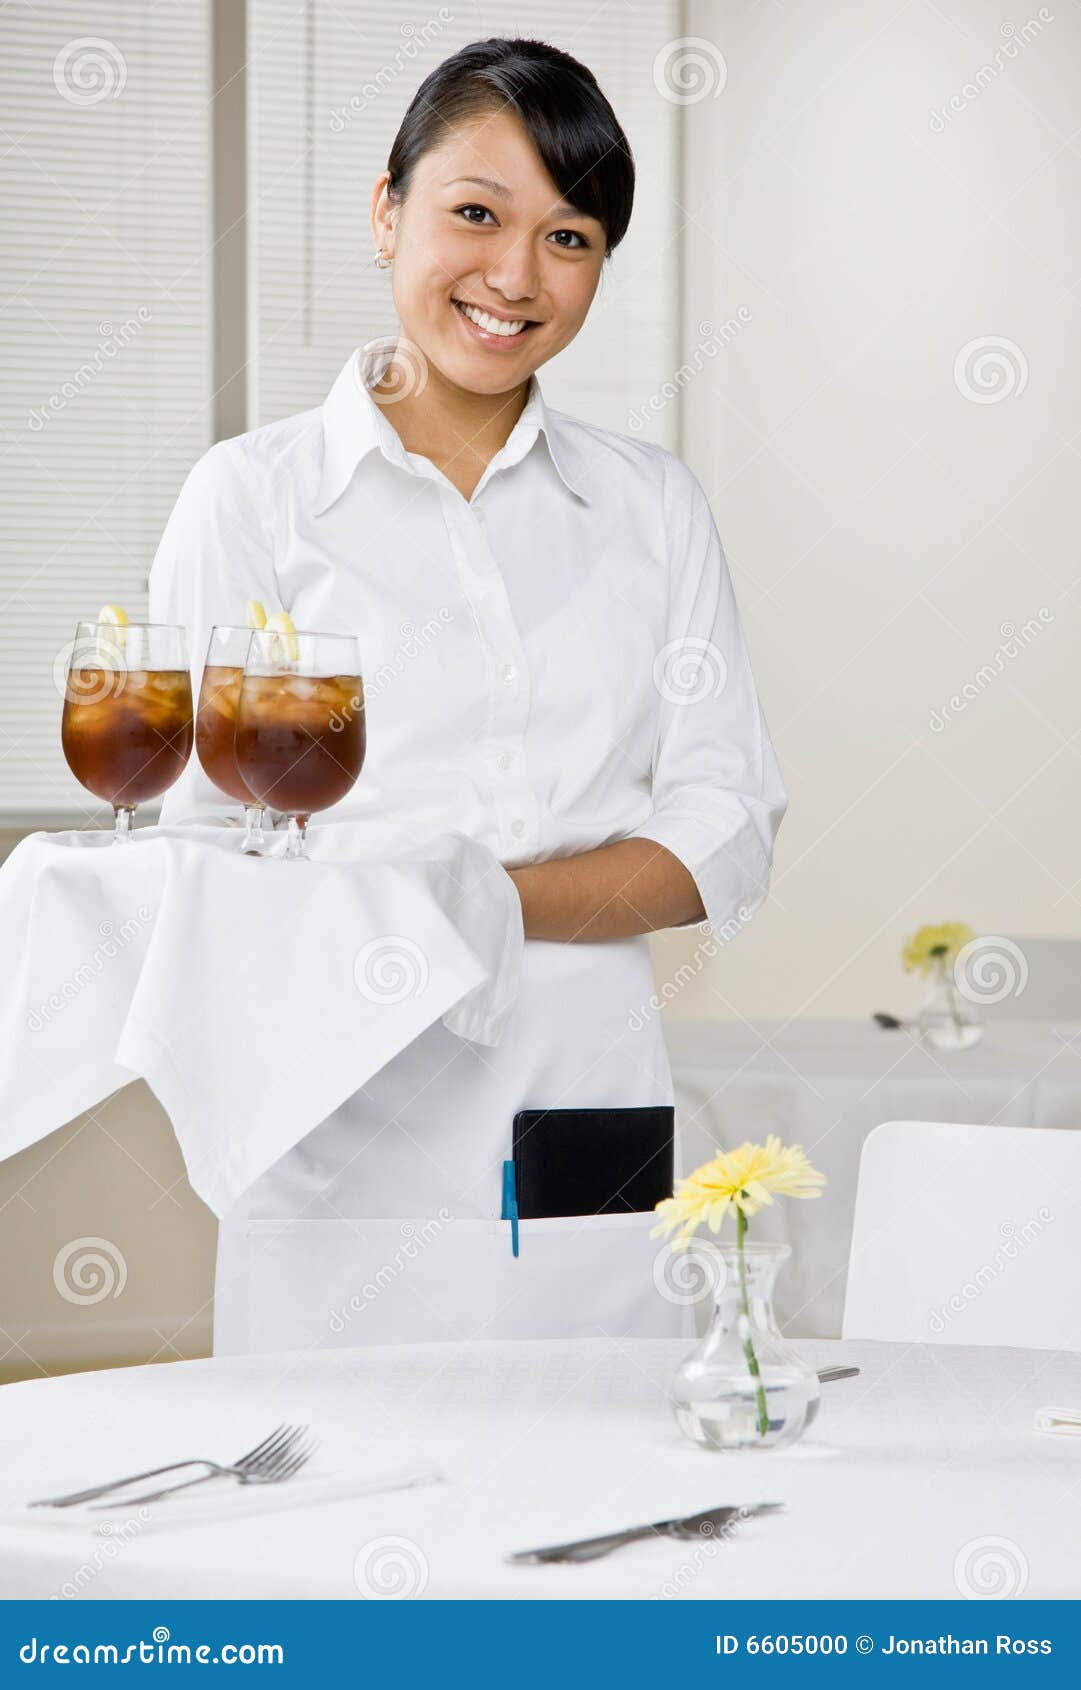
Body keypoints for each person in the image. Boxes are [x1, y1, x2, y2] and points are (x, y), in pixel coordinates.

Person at [149, 36, 788, 1352]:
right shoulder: (253, 500)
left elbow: (725, 817)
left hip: (581, 1096)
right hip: (338, 1109)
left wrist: (486, 899)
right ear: (386, 211)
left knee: (601, 1491)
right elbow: (206, 847)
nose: (513, 277)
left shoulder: (647, 506)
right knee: (321, 1497)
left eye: (569, 238)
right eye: (475, 214)